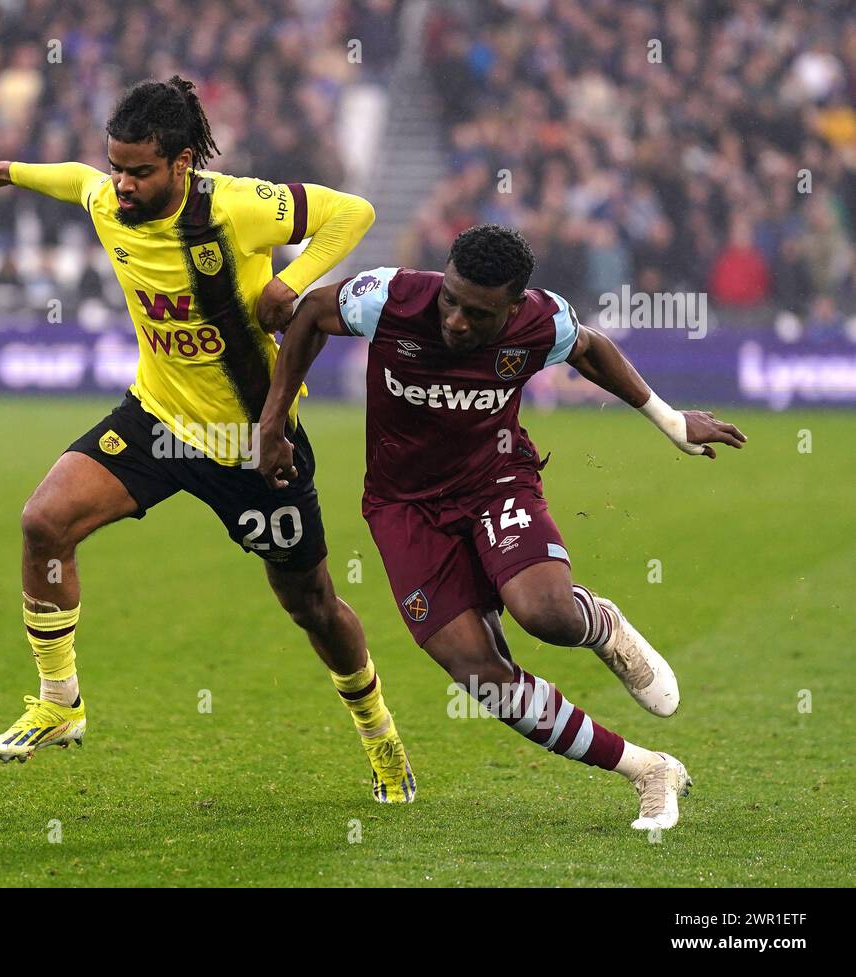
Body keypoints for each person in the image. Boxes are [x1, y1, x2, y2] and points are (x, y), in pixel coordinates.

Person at [0, 76, 416, 802]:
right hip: (156, 419)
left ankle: (381, 736)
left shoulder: (236, 206)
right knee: (43, 521)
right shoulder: (108, 198)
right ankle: (60, 701)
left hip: (253, 442)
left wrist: (293, 283)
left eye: (138, 170)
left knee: (312, 603)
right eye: (116, 166)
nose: (121, 184)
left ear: (184, 162)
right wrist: (2, 172)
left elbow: (353, 212)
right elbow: (74, 181)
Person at [256, 224, 748, 829]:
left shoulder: (542, 322)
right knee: (482, 677)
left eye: (479, 313)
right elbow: (309, 316)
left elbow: (591, 350)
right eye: (451, 300)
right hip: (403, 507)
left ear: (514, 307)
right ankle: (649, 769)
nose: (457, 321)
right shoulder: (389, 298)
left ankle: (600, 623)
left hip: (495, 482)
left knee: (546, 614)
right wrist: (274, 423)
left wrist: (672, 422)